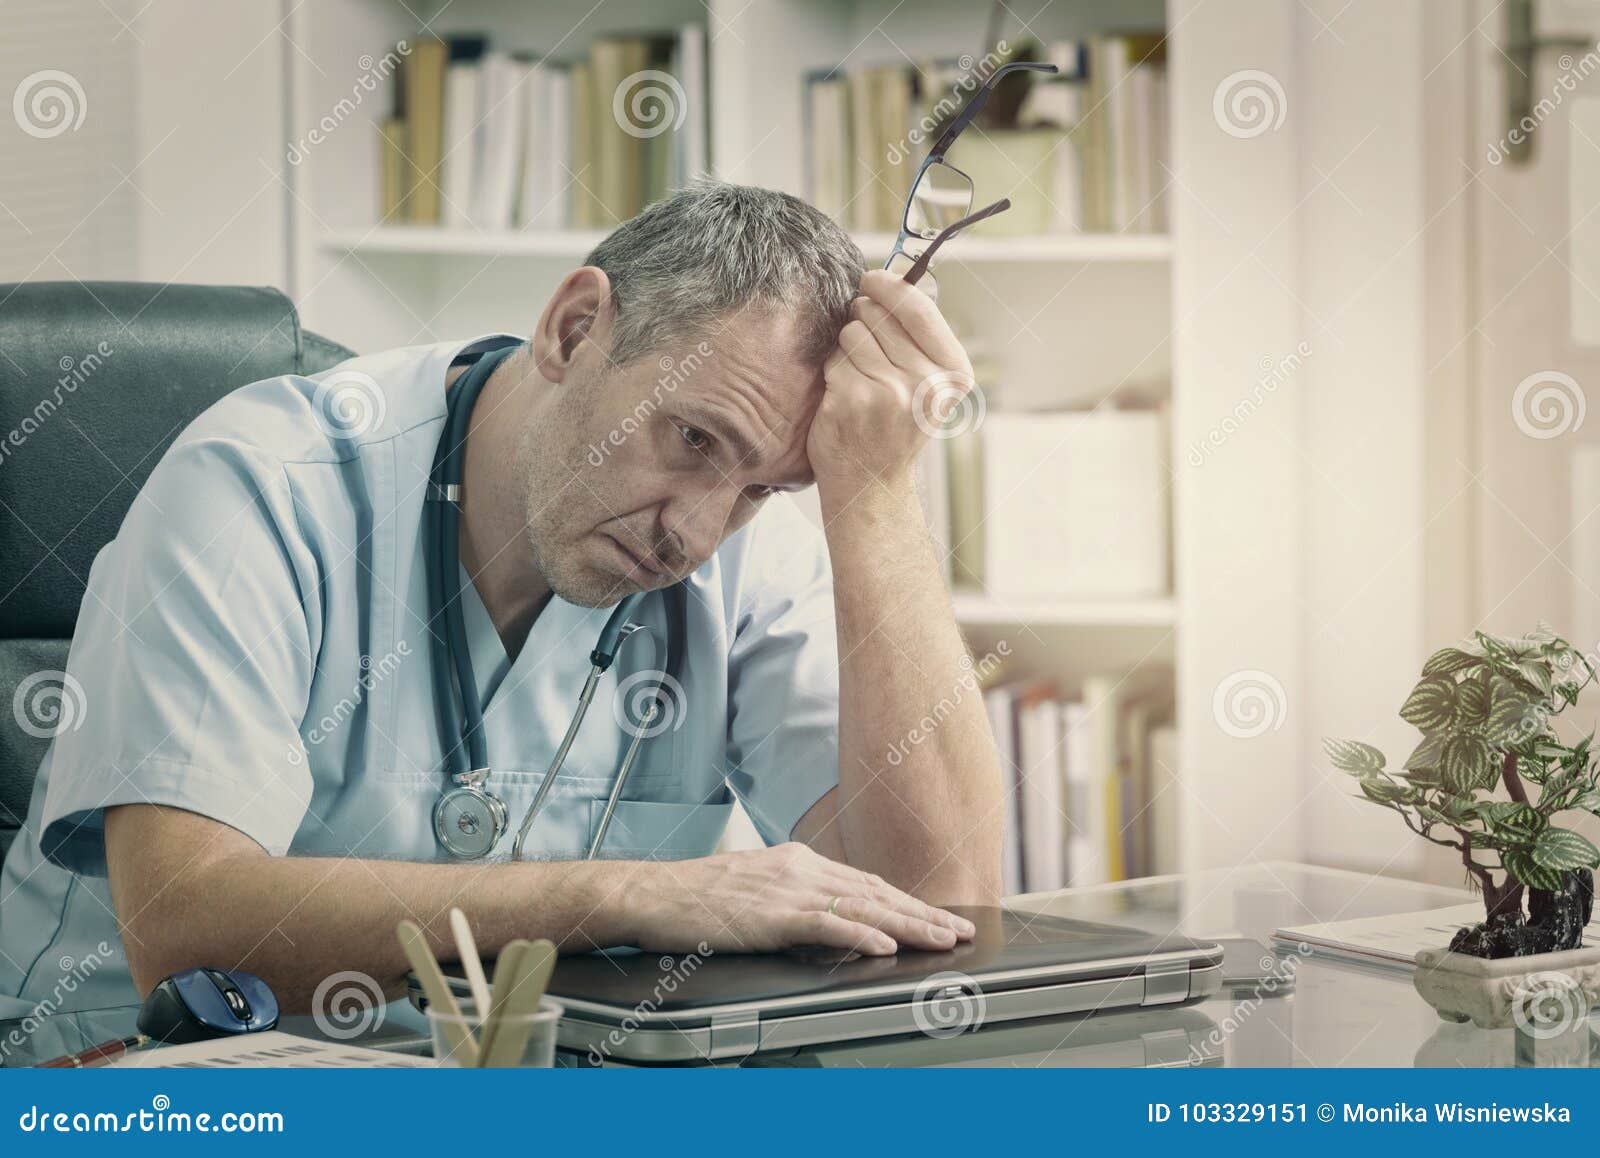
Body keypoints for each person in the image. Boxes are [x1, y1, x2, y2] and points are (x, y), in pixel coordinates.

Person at [0, 182, 1003, 1016]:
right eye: (691, 440)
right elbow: (189, 931)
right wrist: (633, 896)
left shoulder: (750, 552)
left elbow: (936, 905)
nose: (691, 536)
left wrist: (872, 498)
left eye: (759, 489)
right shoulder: (259, 484)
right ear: (573, 330)